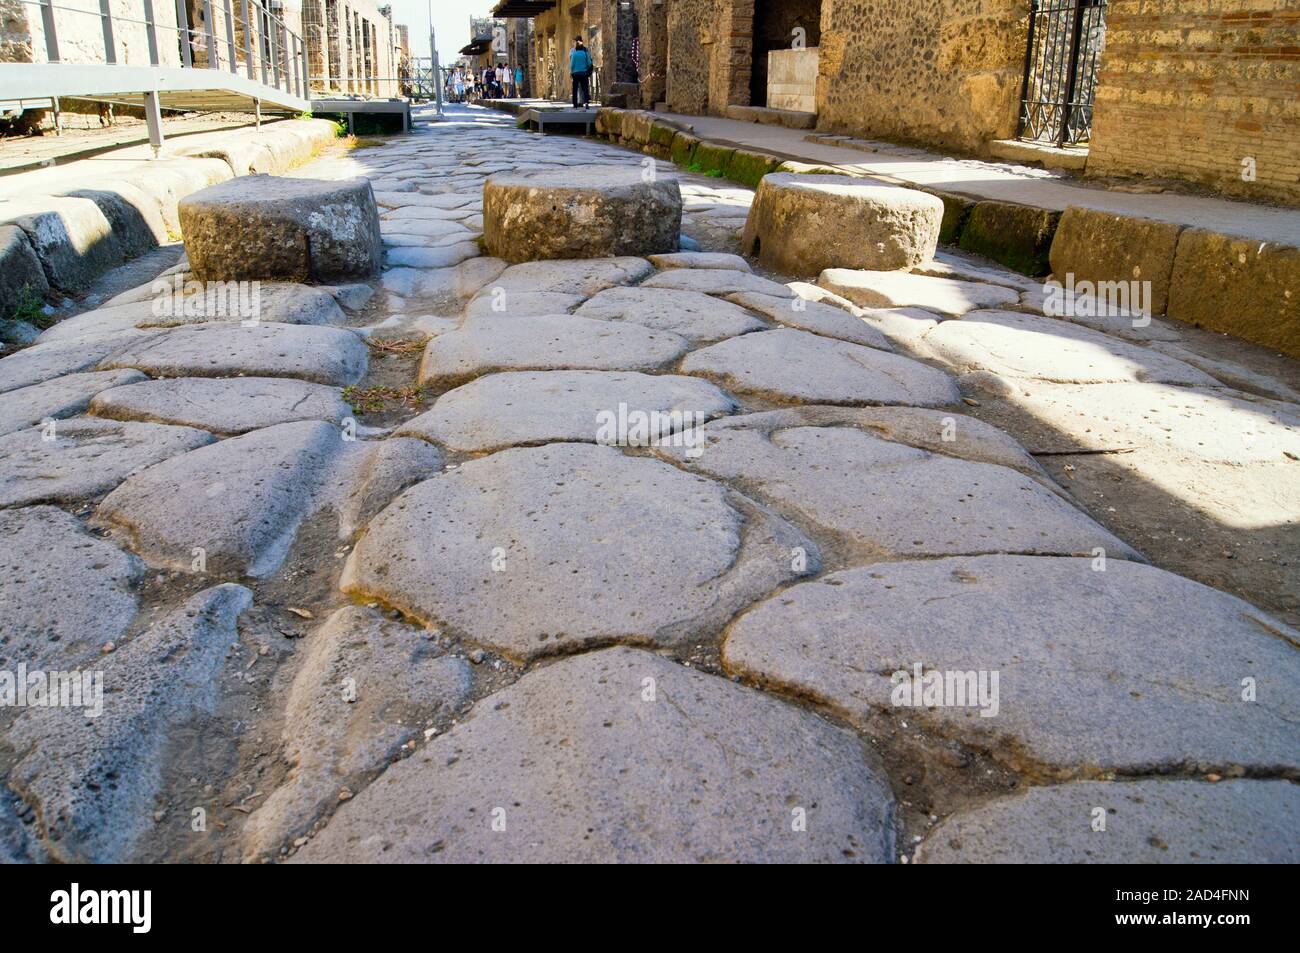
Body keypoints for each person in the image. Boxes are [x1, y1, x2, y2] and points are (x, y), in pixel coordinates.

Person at [570, 38, 593, 109]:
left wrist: (571, 72)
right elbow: (589, 63)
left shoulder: (574, 54)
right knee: (585, 88)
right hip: (584, 73)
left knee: (575, 89)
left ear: (576, 46)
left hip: (576, 74)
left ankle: (575, 104)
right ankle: (586, 103)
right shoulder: (585, 54)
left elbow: (572, 64)